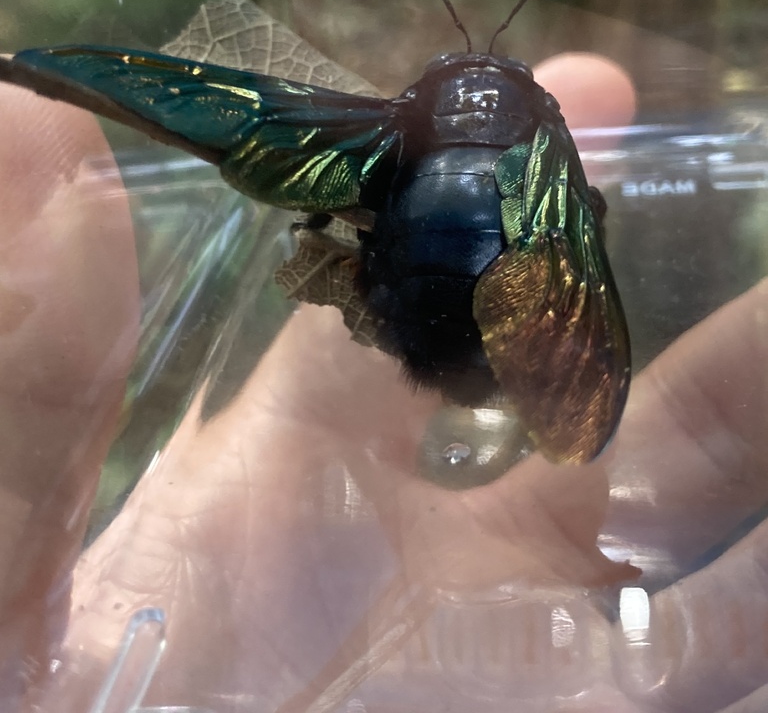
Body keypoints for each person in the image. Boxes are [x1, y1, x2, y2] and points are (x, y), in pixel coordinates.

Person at [1, 54, 766, 713]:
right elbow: (574, 229)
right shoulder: (548, 159)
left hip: (406, 307)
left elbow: (264, 132)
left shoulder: (395, 129)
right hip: (467, 315)